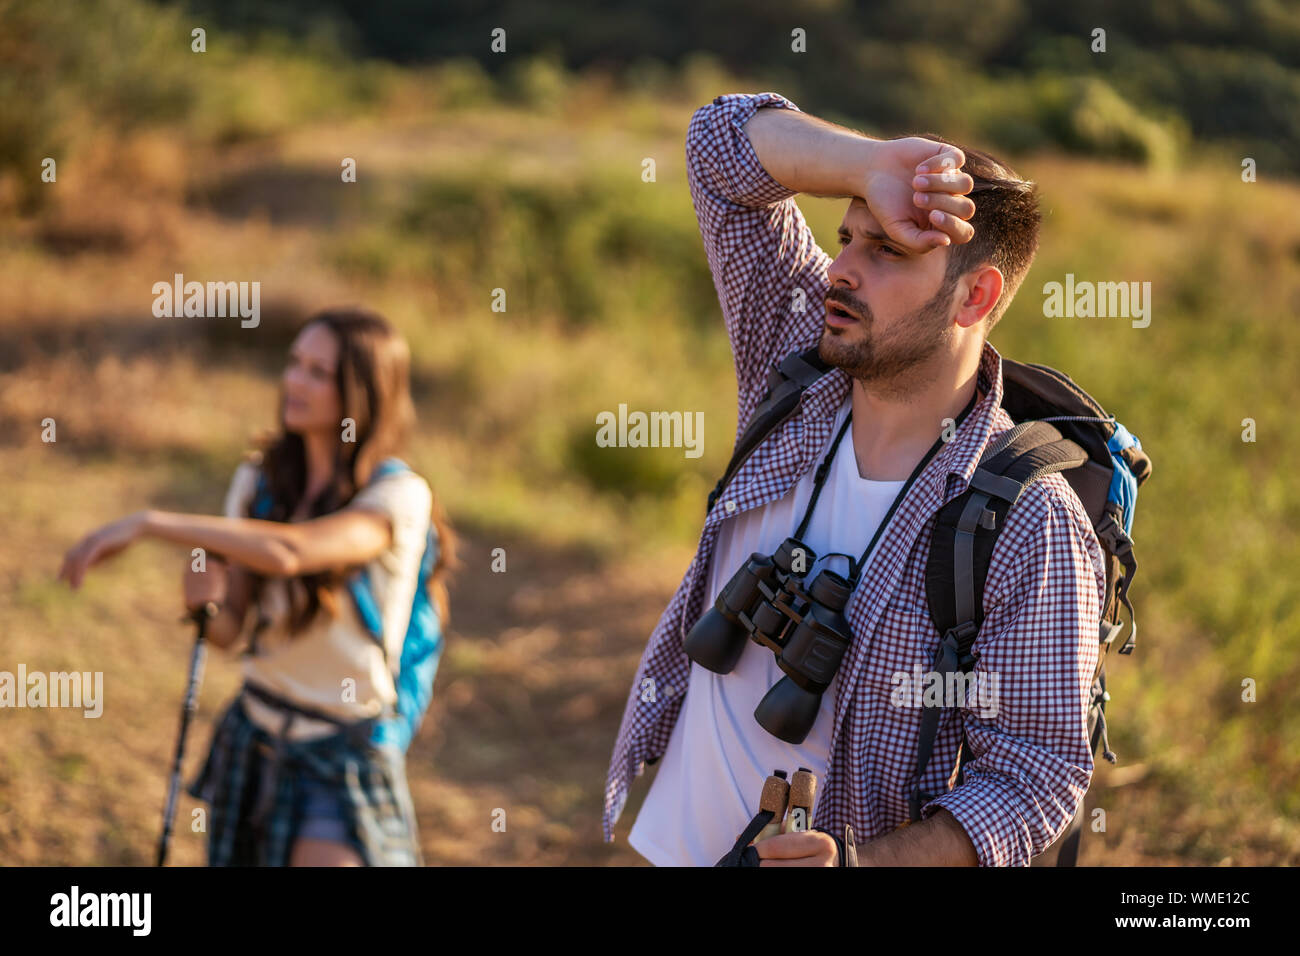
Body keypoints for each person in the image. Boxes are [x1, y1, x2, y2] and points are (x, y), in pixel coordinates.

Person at [603, 92, 1107, 866]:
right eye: (847, 237)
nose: (839, 269)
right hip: (667, 848)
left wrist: (857, 864)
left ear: (975, 296)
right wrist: (869, 165)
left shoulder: (1030, 522)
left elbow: (1036, 777)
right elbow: (717, 144)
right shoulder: (798, 362)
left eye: (888, 252)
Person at [58, 307, 458, 866]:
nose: (295, 381)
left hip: (340, 752)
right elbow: (229, 633)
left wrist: (149, 523)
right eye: (295, 364)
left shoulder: (398, 496)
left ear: (362, 393)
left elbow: (290, 552)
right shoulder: (260, 481)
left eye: (320, 373)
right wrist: (206, 605)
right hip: (256, 738)